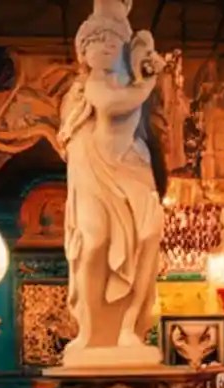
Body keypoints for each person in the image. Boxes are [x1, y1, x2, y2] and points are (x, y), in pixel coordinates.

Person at [57, 0, 166, 365]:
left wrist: (144, 71)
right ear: (83, 52)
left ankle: (130, 327)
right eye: (96, 40)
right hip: (92, 170)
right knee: (95, 242)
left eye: (114, 40)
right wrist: (148, 82)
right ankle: (91, 330)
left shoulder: (131, 81)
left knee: (147, 237)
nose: (105, 46)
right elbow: (111, 106)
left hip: (132, 167)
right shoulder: (90, 88)